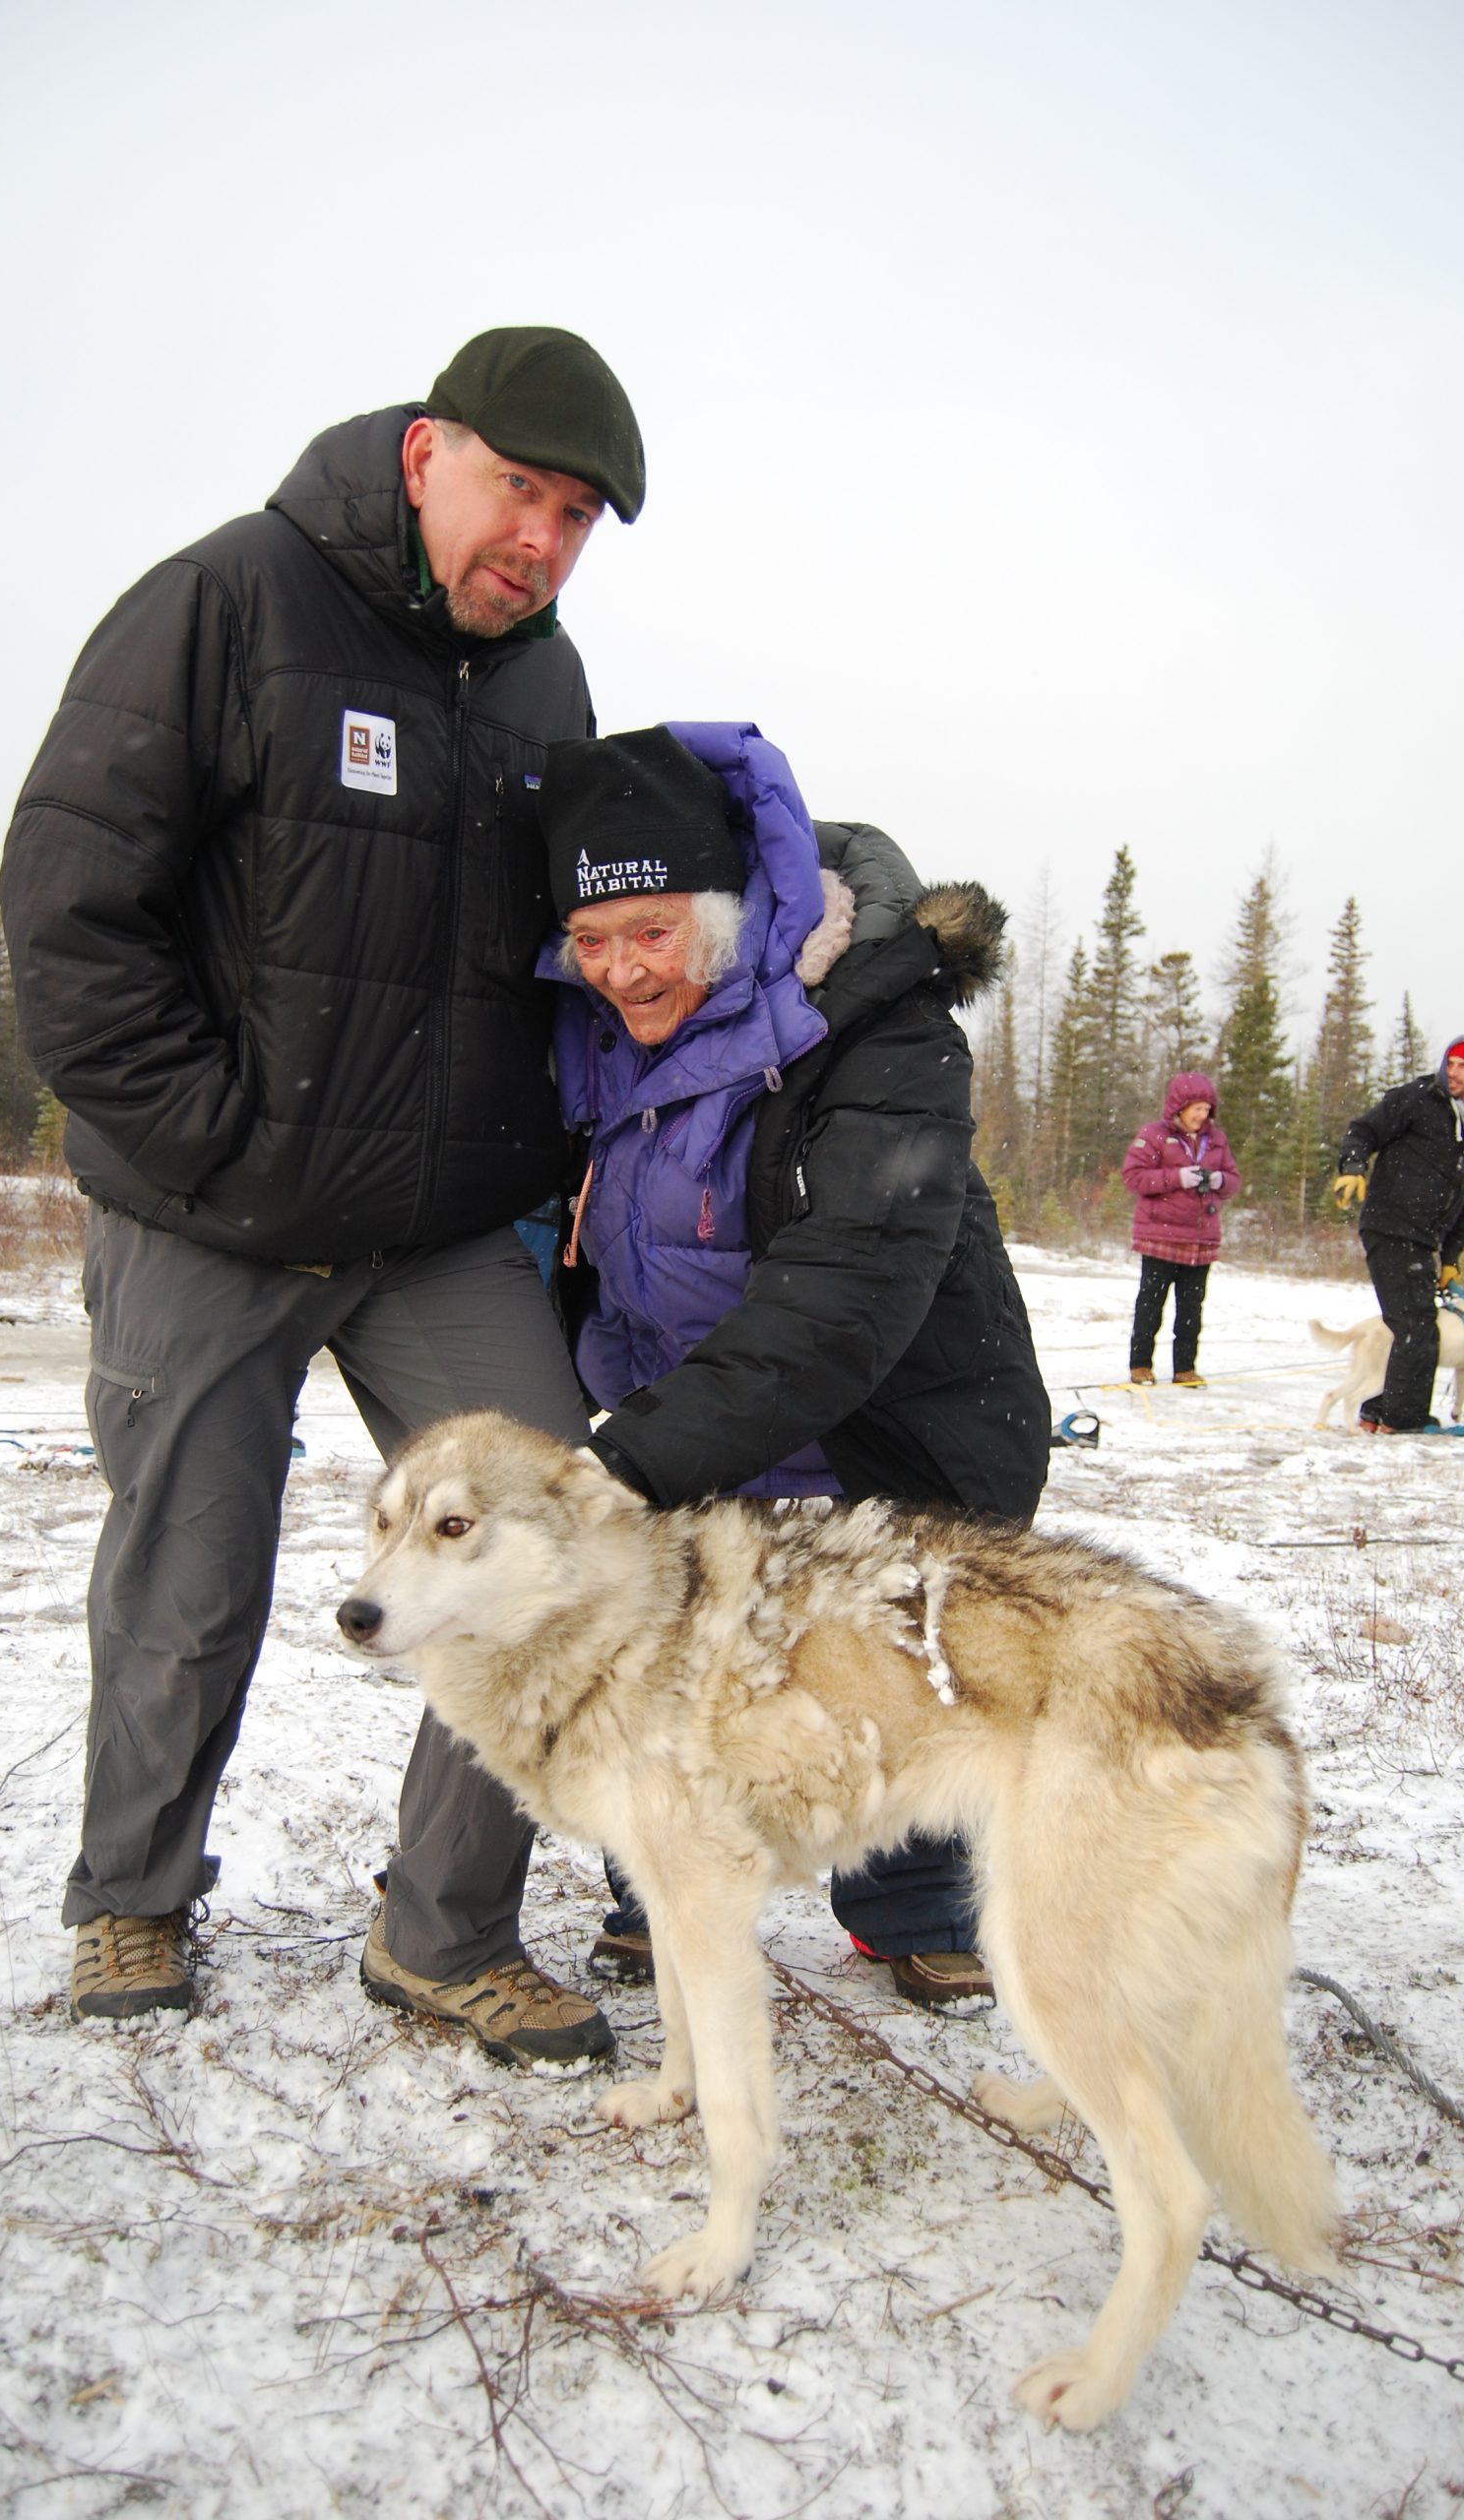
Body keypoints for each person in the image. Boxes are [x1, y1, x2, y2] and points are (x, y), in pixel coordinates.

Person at [0, 327, 645, 2066]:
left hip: (443, 1222)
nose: (544, 541)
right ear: (428, 453)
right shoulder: (227, 603)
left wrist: (583, 1145)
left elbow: (564, 949)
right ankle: (131, 1892)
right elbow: (69, 918)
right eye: (525, 492)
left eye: (579, 518)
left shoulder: (542, 681)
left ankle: (443, 1931)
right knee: (190, 1577)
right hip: (211, 1210)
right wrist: (220, 1143)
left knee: (547, 1558)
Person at [532, 724, 1051, 2009]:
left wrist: (628, 1460)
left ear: (720, 908)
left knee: (884, 1657)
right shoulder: (590, 1039)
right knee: (661, 1654)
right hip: (689, 1418)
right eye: (589, 943)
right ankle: (662, 1884)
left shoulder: (872, 1026)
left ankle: (913, 1897)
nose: (618, 971)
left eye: (648, 932)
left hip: (883, 1417)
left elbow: (846, 1294)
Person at [1332, 1036, 1464, 1434]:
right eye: (1449, 1063)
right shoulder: (1418, 1098)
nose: (1453, 1072)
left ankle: (1379, 1412)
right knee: (1416, 1325)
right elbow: (1364, 1129)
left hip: (1426, 1238)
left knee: (1412, 1324)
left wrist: (1451, 1258)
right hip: (1389, 1223)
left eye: (1463, 1066)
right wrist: (1353, 1165)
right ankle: (1403, 1418)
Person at [1121, 1073, 1238, 1387]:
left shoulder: (1216, 1140)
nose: (1202, 1115)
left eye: (1206, 1109)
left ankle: (1185, 1368)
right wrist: (1177, 1178)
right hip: (1158, 1237)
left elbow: (1233, 1180)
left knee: (1190, 1309)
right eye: (1196, 1109)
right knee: (1151, 1304)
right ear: (1179, 1107)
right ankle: (1141, 1365)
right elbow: (1133, 1177)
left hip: (1201, 1241)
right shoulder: (1154, 1135)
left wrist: (1219, 1181)